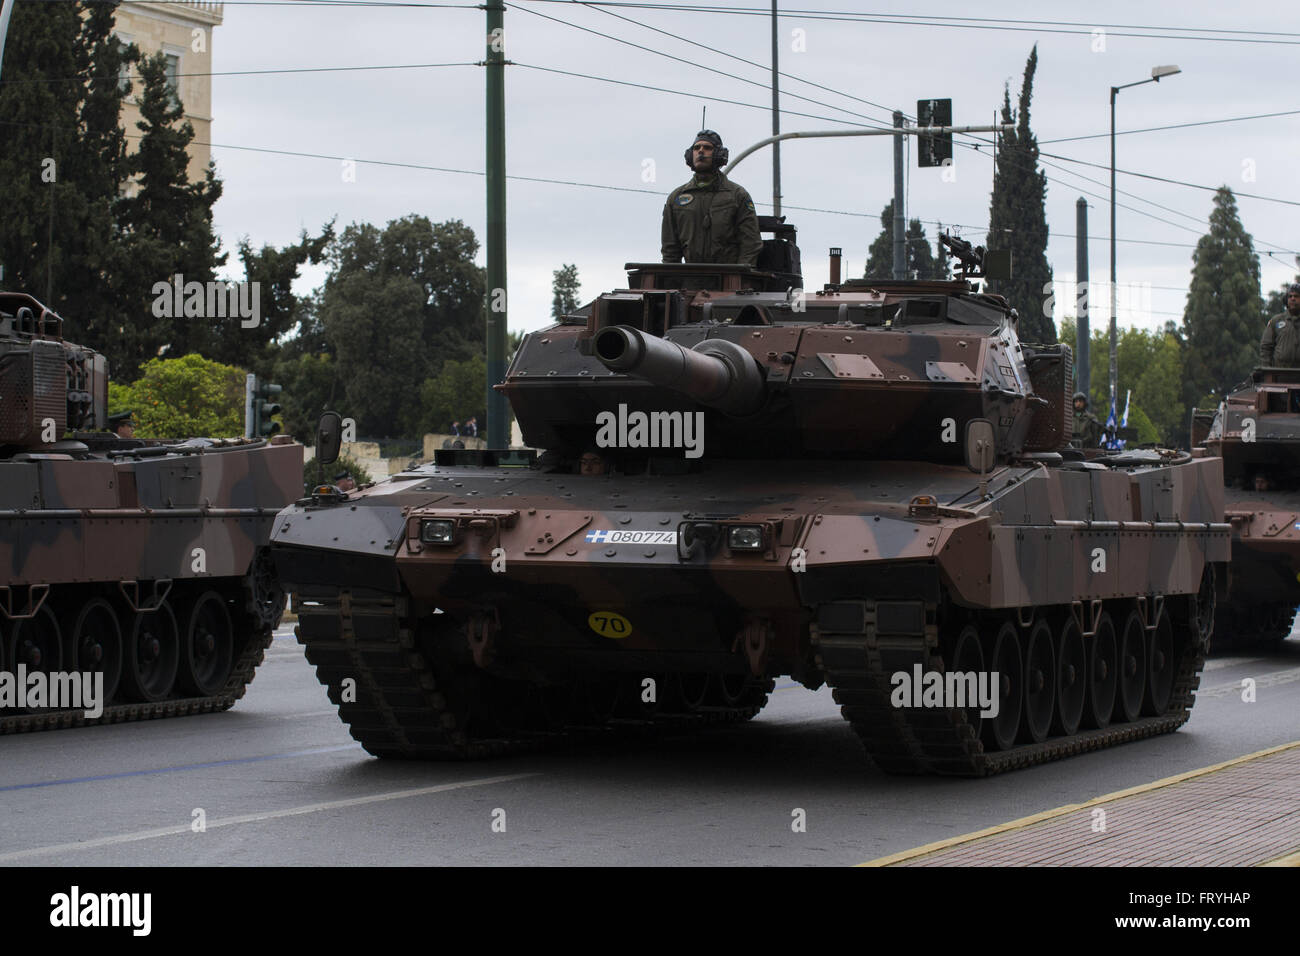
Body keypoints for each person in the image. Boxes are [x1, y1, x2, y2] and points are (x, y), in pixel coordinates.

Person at [661, 130, 763, 268]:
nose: (701, 151)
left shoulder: (737, 195)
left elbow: (751, 243)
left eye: (707, 148)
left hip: (728, 281)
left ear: (719, 155)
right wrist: (671, 281)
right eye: (697, 148)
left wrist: (739, 278)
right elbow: (670, 250)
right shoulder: (676, 198)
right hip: (689, 280)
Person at [1260, 282, 1300, 367]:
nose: (1293, 299)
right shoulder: (1276, 321)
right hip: (1279, 373)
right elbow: (1266, 347)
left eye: (1296, 296)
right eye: (1290, 296)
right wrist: (1267, 370)